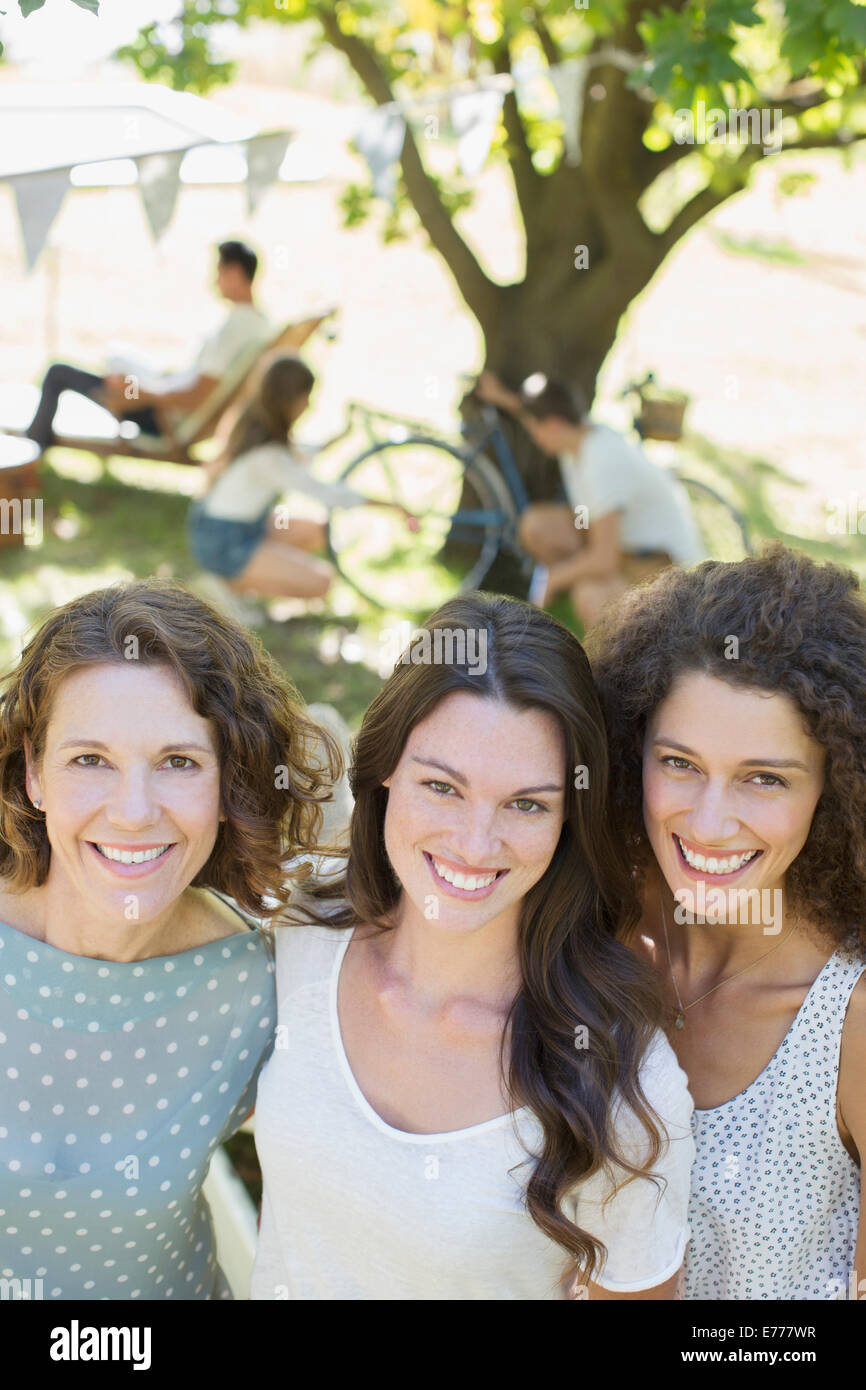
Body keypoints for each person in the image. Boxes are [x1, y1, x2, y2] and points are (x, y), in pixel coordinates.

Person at [250, 592, 695, 1300]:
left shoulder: (616, 1082)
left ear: (568, 819)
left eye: (527, 804)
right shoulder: (299, 931)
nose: (476, 844)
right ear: (386, 768)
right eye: (442, 787)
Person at [0, 578, 341, 1299]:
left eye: (179, 762)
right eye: (89, 759)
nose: (132, 813)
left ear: (230, 784)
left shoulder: (259, 989)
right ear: (34, 773)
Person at [588, 545, 866, 1300]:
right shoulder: (590, 925)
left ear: (835, 791)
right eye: (679, 763)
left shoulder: (851, 1017)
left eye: (764, 779)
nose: (709, 824)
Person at [475, 370, 705, 627]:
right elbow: (531, 411)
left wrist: (553, 578)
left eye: (535, 430)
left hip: (661, 566)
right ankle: (592, 581)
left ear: (553, 425)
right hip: (624, 543)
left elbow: (604, 559)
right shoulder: (578, 433)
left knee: (590, 595)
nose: (534, 437)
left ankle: (617, 647)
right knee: (536, 525)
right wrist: (500, 396)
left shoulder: (599, 464)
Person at [188, 355, 414, 604]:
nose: (309, 406)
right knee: (322, 583)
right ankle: (228, 584)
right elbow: (326, 492)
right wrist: (391, 506)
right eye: (306, 398)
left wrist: (340, 437)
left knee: (321, 530)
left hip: (239, 526)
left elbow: (297, 454)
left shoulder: (254, 425)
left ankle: (250, 573)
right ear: (290, 401)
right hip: (225, 544)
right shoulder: (268, 456)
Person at [25, 241, 273, 454]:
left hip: (157, 412)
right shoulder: (259, 325)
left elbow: (199, 395)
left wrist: (141, 393)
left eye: (219, 272)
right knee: (118, 359)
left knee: (58, 373)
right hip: (163, 393)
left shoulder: (233, 331)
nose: (214, 280)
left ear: (235, 272)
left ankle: (30, 452)